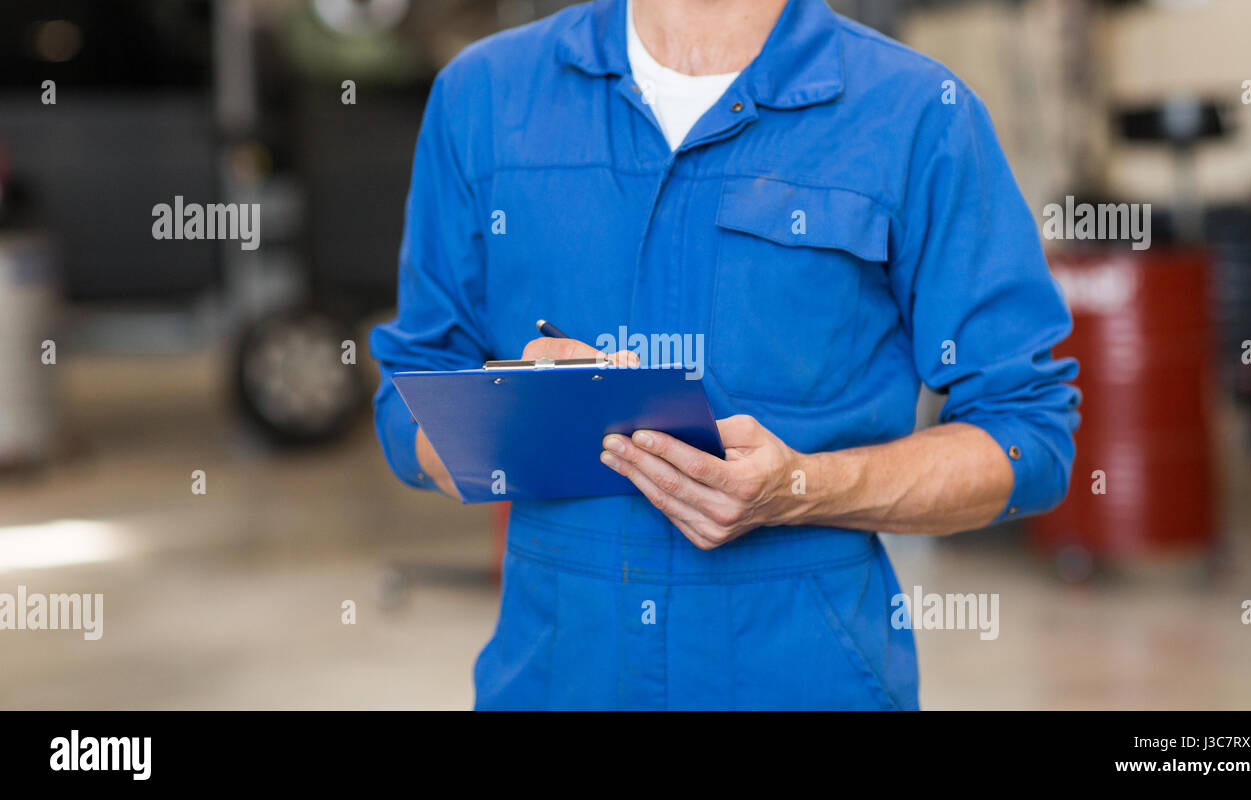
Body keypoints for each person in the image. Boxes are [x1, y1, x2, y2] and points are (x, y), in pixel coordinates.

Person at [370, 0, 1080, 710]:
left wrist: (804, 487)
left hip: (804, 681)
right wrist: (524, 414)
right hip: (557, 681)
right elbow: (409, 401)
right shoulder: (485, 95)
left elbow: (1028, 438)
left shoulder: (916, 113)